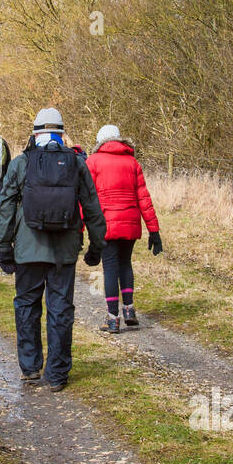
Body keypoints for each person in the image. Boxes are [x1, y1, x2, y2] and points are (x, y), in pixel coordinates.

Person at [0, 108, 106, 391]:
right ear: (62, 133)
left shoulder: (21, 163)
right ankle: (57, 374)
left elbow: (5, 205)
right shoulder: (77, 164)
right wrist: (96, 246)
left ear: (34, 132)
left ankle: (31, 367)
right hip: (64, 252)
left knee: (27, 305)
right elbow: (92, 207)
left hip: (28, 251)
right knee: (60, 309)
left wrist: (4, 246)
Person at [85, 124, 163, 332]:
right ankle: (128, 309)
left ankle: (112, 317)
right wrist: (154, 230)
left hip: (105, 222)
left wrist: (81, 227)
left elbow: (87, 198)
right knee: (125, 263)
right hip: (130, 220)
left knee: (109, 267)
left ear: (99, 142)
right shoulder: (132, 162)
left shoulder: (92, 162)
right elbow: (144, 198)